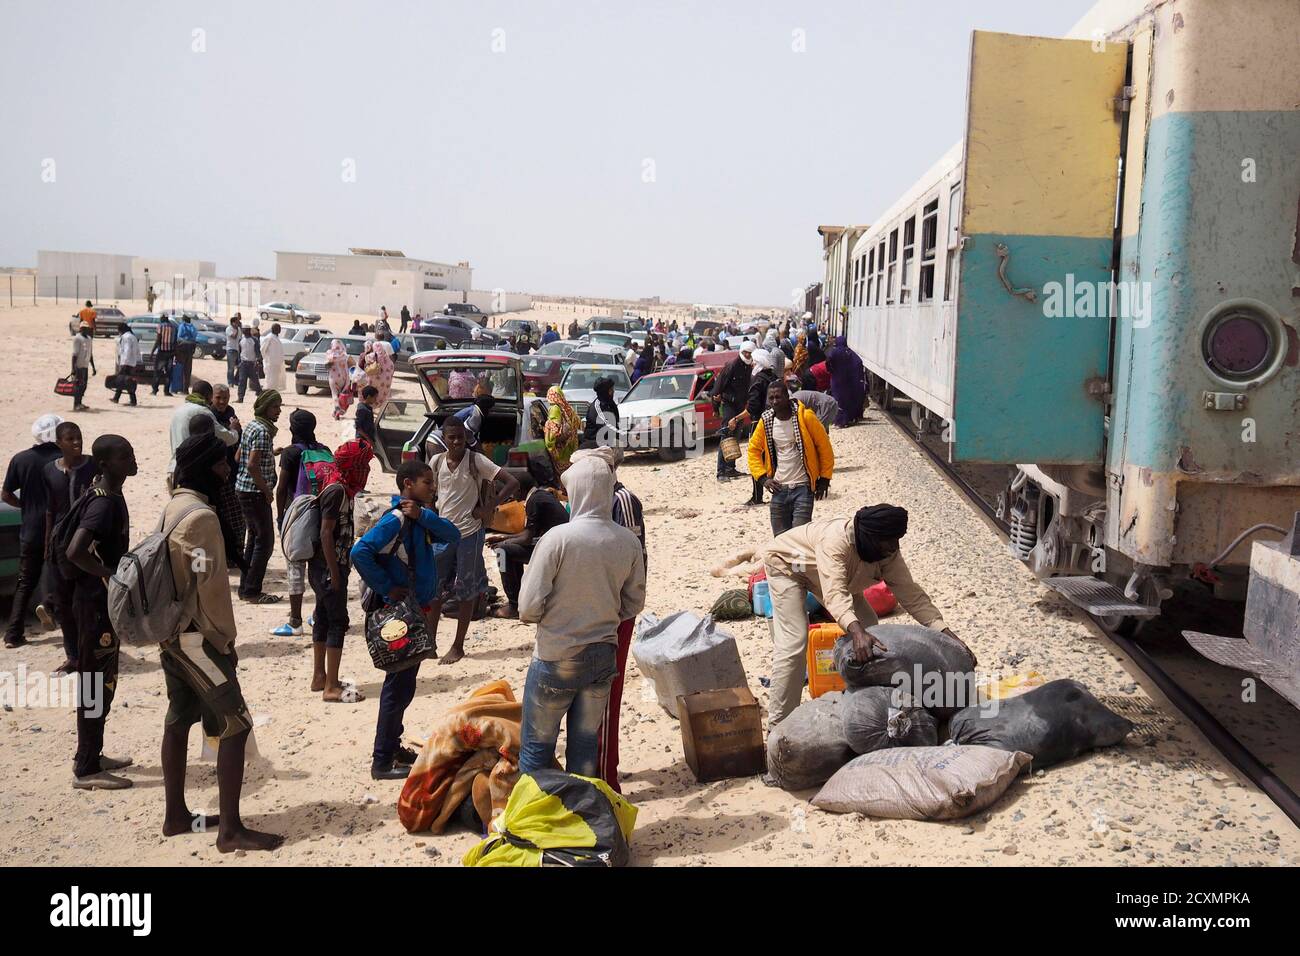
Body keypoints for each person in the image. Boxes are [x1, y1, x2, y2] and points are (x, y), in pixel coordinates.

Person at [160, 433, 284, 852]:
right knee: (236, 723)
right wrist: (225, 640)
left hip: (172, 633)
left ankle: (176, 816)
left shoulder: (174, 505)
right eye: (221, 464)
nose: (228, 470)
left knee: (179, 717)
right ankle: (230, 831)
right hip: (199, 638)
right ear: (203, 468)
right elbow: (209, 585)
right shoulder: (201, 519)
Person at [758, 504, 971, 726]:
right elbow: (835, 596)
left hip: (832, 576)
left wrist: (947, 634)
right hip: (789, 566)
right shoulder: (835, 542)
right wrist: (856, 632)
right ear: (867, 537)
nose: (893, 548)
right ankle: (778, 725)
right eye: (888, 543)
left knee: (872, 629)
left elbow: (911, 595)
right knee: (794, 642)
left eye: (896, 541)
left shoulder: (886, 551)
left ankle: (865, 707)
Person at [517, 455, 645, 778]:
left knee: (536, 751)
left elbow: (527, 608)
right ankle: (585, 820)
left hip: (556, 656)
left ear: (575, 491)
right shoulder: (628, 541)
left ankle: (537, 824)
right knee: (585, 752)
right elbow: (633, 603)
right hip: (602, 657)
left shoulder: (557, 539)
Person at [352, 459, 460, 779]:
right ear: (407, 484)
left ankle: (393, 746)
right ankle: (382, 760)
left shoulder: (418, 518)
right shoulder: (396, 519)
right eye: (427, 482)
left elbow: (452, 535)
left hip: (414, 612)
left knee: (405, 685)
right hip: (398, 615)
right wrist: (389, 589)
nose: (433, 487)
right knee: (396, 686)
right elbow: (360, 553)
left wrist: (423, 514)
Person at [571, 446, 645, 793]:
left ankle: (605, 777)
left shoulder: (622, 500)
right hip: (593, 609)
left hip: (611, 612)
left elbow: (633, 560)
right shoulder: (590, 503)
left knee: (604, 695)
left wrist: (614, 607)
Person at [65, 435, 138, 789]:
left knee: (103, 680)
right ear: (105, 464)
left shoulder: (107, 494)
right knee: (94, 683)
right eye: (125, 457)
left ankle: (94, 754)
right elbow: (76, 551)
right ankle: (86, 767)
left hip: (98, 603)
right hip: (93, 605)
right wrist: (111, 576)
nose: (132, 460)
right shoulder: (103, 504)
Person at [429, 417, 519, 665]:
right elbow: (431, 494)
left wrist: (488, 507)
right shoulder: (436, 462)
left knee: (466, 590)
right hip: (443, 534)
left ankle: (458, 646)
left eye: (461, 437)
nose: (457, 442)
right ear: (444, 438)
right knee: (435, 590)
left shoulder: (475, 460)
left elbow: (512, 482)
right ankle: (431, 643)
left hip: (469, 534)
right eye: (452, 437)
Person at [308, 439, 373, 702]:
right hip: (328, 567)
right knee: (337, 622)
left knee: (322, 617)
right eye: (363, 465)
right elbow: (326, 533)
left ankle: (319, 677)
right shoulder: (337, 491)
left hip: (323, 566)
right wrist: (335, 573)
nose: (365, 471)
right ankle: (331, 687)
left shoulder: (339, 487)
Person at [3, 414, 65, 648]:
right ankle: (49, 607)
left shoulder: (20, 459)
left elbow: (6, 495)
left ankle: (13, 634)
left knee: (25, 581)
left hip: (29, 529)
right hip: (57, 527)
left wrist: (26, 506)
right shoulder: (64, 459)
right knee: (58, 573)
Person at [42, 422, 99, 671]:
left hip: (87, 545)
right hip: (59, 546)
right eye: (70, 439)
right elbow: (49, 511)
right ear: (59, 444)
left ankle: (90, 653)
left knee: (86, 603)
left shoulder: (93, 466)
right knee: (64, 604)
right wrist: (47, 545)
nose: (77, 442)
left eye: (79, 437)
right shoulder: (49, 471)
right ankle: (73, 656)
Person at [487, 455, 569, 619]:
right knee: (506, 548)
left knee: (502, 552)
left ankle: (514, 605)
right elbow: (528, 534)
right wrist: (502, 538)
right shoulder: (540, 496)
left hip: (557, 551)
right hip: (558, 546)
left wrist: (503, 543)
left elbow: (525, 539)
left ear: (519, 489)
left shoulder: (535, 501)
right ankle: (518, 599)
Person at [748, 381, 833, 536]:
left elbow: (824, 447)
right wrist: (762, 478)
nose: (774, 401)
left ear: (787, 397)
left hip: (803, 489)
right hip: (779, 489)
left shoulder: (805, 417)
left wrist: (825, 478)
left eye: (778, 397)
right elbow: (753, 450)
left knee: (800, 539)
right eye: (771, 398)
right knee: (781, 542)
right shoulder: (766, 421)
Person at [271, 409, 329, 637]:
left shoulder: (291, 453)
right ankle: (316, 616)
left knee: (295, 566)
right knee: (318, 567)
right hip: (322, 513)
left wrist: (280, 516)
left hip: (297, 514)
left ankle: (295, 621)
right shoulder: (324, 450)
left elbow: (282, 488)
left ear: (294, 429)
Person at [235, 389, 283, 604]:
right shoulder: (263, 431)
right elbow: (252, 464)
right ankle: (252, 591)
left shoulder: (251, 426)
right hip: (254, 493)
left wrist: (270, 454)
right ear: (265, 408)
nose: (279, 411)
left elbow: (239, 456)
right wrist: (266, 490)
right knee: (265, 542)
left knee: (253, 540)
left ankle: (245, 587)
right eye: (275, 407)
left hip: (243, 490)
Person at [727, 348, 778, 506]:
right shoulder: (773, 377)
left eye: (754, 362)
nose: (752, 364)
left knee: (756, 459)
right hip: (777, 422)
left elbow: (753, 408)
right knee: (775, 458)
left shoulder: (758, 380)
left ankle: (757, 496)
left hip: (760, 424)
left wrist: (736, 418)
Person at [167, 379, 238, 484]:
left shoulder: (179, 410)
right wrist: (234, 429)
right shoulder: (203, 411)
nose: (222, 402)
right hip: (190, 472)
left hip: (174, 469)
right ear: (210, 396)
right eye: (217, 398)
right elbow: (227, 438)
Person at [208, 385, 246, 568]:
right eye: (218, 398)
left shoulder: (231, 413)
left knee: (236, 518)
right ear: (211, 398)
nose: (222, 402)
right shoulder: (209, 417)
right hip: (213, 476)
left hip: (231, 473)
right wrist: (232, 430)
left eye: (225, 398)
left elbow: (239, 439)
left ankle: (234, 555)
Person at [710, 341, 754, 482]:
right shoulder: (731, 366)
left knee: (735, 436)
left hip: (740, 405)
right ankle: (721, 471)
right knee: (726, 435)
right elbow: (717, 390)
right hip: (729, 404)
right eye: (745, 352)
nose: (747, 355)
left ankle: (730, 468)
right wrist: (715, 409)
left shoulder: (748, 367)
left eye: (749, 353)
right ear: (741, 352)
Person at [826, 335, 866, 427]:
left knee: (838, 400)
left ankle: (838, 420)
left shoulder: (834, 352)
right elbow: (858, 362)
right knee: (846, 400)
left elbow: (828, 362)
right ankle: (845, 420)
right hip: (847, 382)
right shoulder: (849, 353)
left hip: (836, 381)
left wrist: (832, 370)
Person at [543, 386, 582, 473]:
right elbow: (577, 423)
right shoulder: (568, 408)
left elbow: (554, 429)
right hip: (570, 448)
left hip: (561, 450)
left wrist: (550, 445)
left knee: (561, 475)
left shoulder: (554, 409)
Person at [582, 376, 620, 447]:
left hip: (607, 443)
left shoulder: (610, 403)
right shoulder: (596, 407)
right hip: (593, 446)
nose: (613, 392)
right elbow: (607, 426)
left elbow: (617, 422)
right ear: (605, 392)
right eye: (611, 390)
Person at [361, 337, 395, 410]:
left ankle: (371, 409)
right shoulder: (388, 359)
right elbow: (392, 370)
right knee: (383, 396)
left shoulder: (371, 356)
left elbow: (366, 367)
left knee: (372, 395)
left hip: (374, 381)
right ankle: (383, 412)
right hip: (386, 383)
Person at [112, 324, 141, 406]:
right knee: (125, 381)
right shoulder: (132, 336)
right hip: (132, 363)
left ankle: (132, 400)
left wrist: (124, 363)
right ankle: (117, 398)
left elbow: (127, 351)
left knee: (124, 381)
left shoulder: (126, 337)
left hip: (126, 363)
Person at [70, 323, 95, 411]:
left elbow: (90, 353)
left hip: (85, 366)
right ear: (80, 328)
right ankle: (76, 404)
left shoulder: (89, 339)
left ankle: (80, 403)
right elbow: (74, 355)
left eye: (87, 328)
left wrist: (93, 367)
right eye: (84, 328)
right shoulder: (77, 338)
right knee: (78, 386)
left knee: (84, 386)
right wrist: (73, 368)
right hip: (79, 366)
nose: (86, 329)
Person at [152, 312, 177, 396]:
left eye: (161, 317)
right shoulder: (174, 327)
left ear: (163, 318)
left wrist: (152, 352)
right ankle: (166, 391)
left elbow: (158, 340)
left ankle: (155, 390)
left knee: (158, 372)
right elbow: (175, 341)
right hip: (171, 353)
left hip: (162, 352)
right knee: (169, 373)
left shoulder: (160, 326)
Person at [325, 339, 351, 420]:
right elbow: (347, 367)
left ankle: (337, 410)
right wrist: (348, 380)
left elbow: (326, 364)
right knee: (342, 395)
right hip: (343, 378)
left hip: (333, 377)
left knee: (335, 394)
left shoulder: (329, 353)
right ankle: (336, 412)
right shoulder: (344, 354)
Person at [236, 327, 262, 403]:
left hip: (252, 364)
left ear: (249, 330)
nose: (245, 331)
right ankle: (240, 398)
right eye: (244, 329)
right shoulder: (241, 340)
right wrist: (238, 363)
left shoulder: (254, 340)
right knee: (242, 381)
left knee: (255, 381)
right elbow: (239, 352)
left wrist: (258, 361)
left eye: (246, 329)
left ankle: (260, 395)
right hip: (243, 363)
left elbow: (257, 351)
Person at [175, 313, 199, 393]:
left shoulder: (182, 326)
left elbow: (179, 336)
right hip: (190, 348)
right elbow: (195, 336)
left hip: (182, 348)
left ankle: (179, 388)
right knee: (188, 370)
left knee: (180, 369)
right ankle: (186, 389)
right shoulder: (192, 327)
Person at [261, 322, 286, 392]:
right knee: (270, 383)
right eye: (278, 328)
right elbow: (262, 350)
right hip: (270, 364)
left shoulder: (276, 338)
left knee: (275, 383)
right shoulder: (269, 338)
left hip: (277, 365)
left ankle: (274, 399)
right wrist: (267, 360)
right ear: (273, 329)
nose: (279, 330)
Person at [224, 314, 242, 386]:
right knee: (231, 368)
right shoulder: (229, 329)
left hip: (237, 349)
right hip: (230, 349)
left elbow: (240, 339)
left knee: (239, 366)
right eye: (237, 322)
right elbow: (234, 337)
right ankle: (230, 382)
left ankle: (235, 380)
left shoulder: (239, 329)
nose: (238, 323)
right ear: (232, 322)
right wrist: (237, 329)